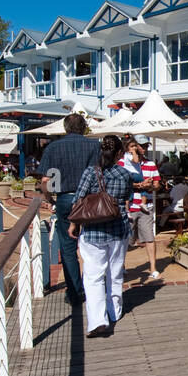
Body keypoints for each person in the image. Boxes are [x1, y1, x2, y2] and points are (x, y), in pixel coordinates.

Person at [68, 134, 132, 338]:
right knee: (115, 272)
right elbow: (126, 198)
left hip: (93, 230)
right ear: (120, 153)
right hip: (118, 229)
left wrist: (73, 224)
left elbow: (78, 199)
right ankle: (115, 311)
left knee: (93, 276)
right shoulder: (124, 174)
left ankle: (98, 320)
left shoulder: (90, 172)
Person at [39, 112, 101, 306]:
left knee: (67, 248)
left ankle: (74, 292)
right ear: (84, 128)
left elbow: (45, 181)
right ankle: (95, 288)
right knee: (93, 246)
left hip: (65, 199)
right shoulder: (94, 146)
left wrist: (49, 199)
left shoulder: (53, 148)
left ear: (65, 128)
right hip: (90, 200)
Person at [123, 137, 162, 282]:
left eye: (146, 145)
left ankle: (153, 268)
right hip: (130, 207)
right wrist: (139, 185)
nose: (145, 148)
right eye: (142, 145)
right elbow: (121, 182)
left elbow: (158, 184)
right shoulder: (124, 162)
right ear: (134, 146)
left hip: (146, 206)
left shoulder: (150, 164)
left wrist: (150, 187)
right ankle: (121, 266)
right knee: (126, 240)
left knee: (149, 238)